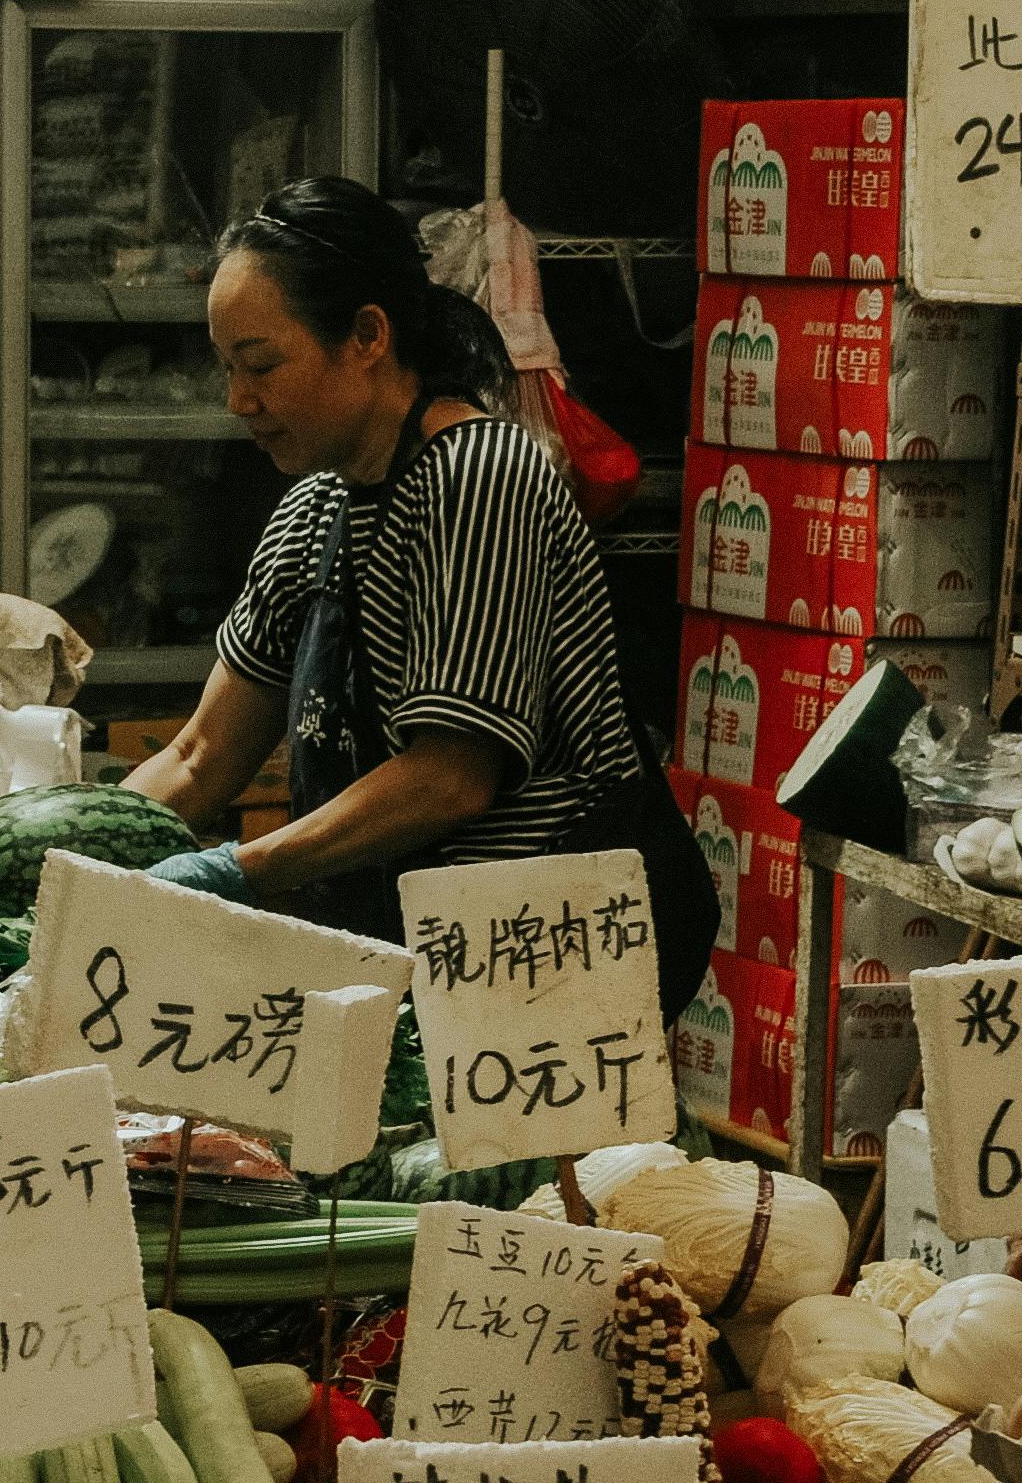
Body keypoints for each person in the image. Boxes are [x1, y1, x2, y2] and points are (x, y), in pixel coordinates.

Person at [124, 177, 717, 1014]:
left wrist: (237, 869)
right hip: (421, 939)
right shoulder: (314, 508)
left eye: (261, 365)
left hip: (549, 942)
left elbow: (449, 777)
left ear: (367, 335)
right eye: (227, 369)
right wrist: (75, 853)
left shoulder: (480, 478)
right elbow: (199, 756)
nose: (239, 401)